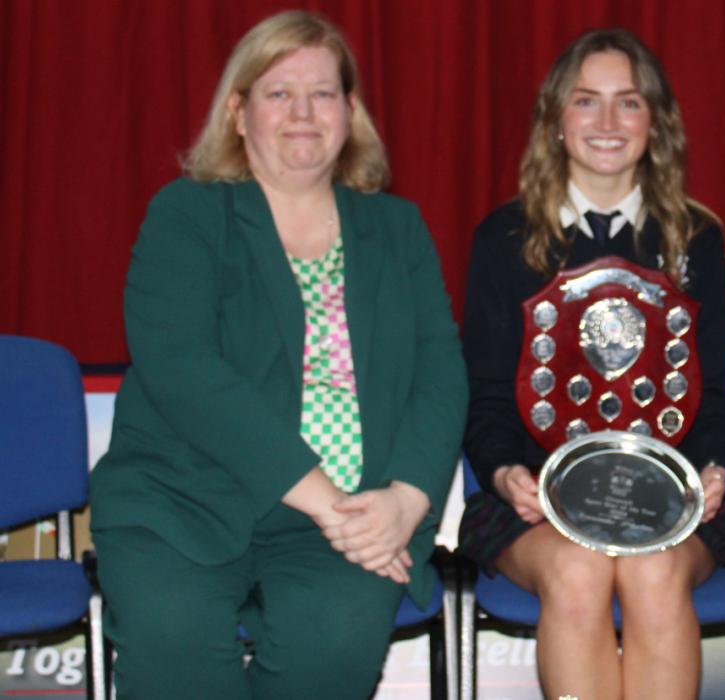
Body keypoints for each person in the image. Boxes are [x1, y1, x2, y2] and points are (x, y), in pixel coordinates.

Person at [89, 11, 466, 699]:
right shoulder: (186, 215)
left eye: (323, 93)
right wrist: (325, 499)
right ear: (238, 113)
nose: (303, 112)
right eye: (277, 92)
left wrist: (407, 503)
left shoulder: (398, 229)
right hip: (181, 499)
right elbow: (184, 371)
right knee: (174, 650)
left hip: (351, 522)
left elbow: (440, 371)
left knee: (332, 651)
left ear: (349, 113)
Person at [458, 28, 725, 700]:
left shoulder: (694, 239)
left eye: (629, 102)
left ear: (657, 122)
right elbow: (488, 396)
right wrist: (504, 473)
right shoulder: (503, 238)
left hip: (671, 501)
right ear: (558, 121)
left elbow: (714, 399)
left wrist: (714, 471)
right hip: (529, 496)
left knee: (650, 572)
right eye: (587, 102)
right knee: (582, 570)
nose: (609, 123)